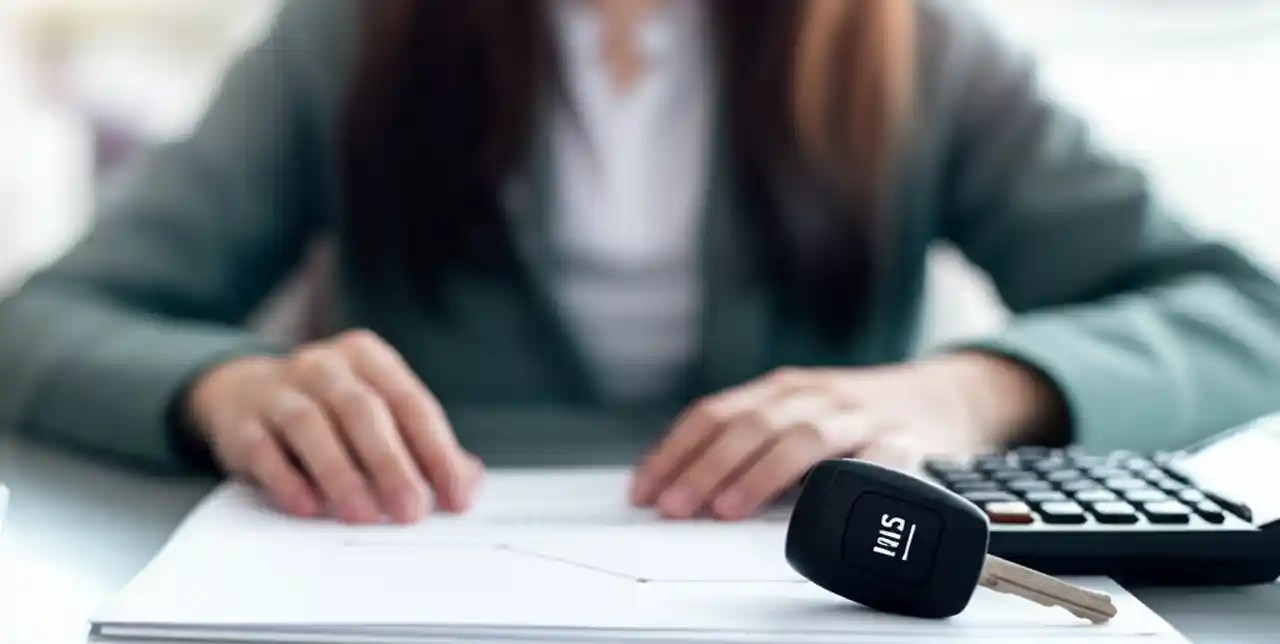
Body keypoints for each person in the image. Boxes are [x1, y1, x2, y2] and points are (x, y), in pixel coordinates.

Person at [2, 0, 1279, 526]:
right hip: (418, 589)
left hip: (817, 604)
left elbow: (1241, 311)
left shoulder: (912, 47)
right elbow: (49, 319)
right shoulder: (350, 37)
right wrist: (228, 388)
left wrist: (964, 390)